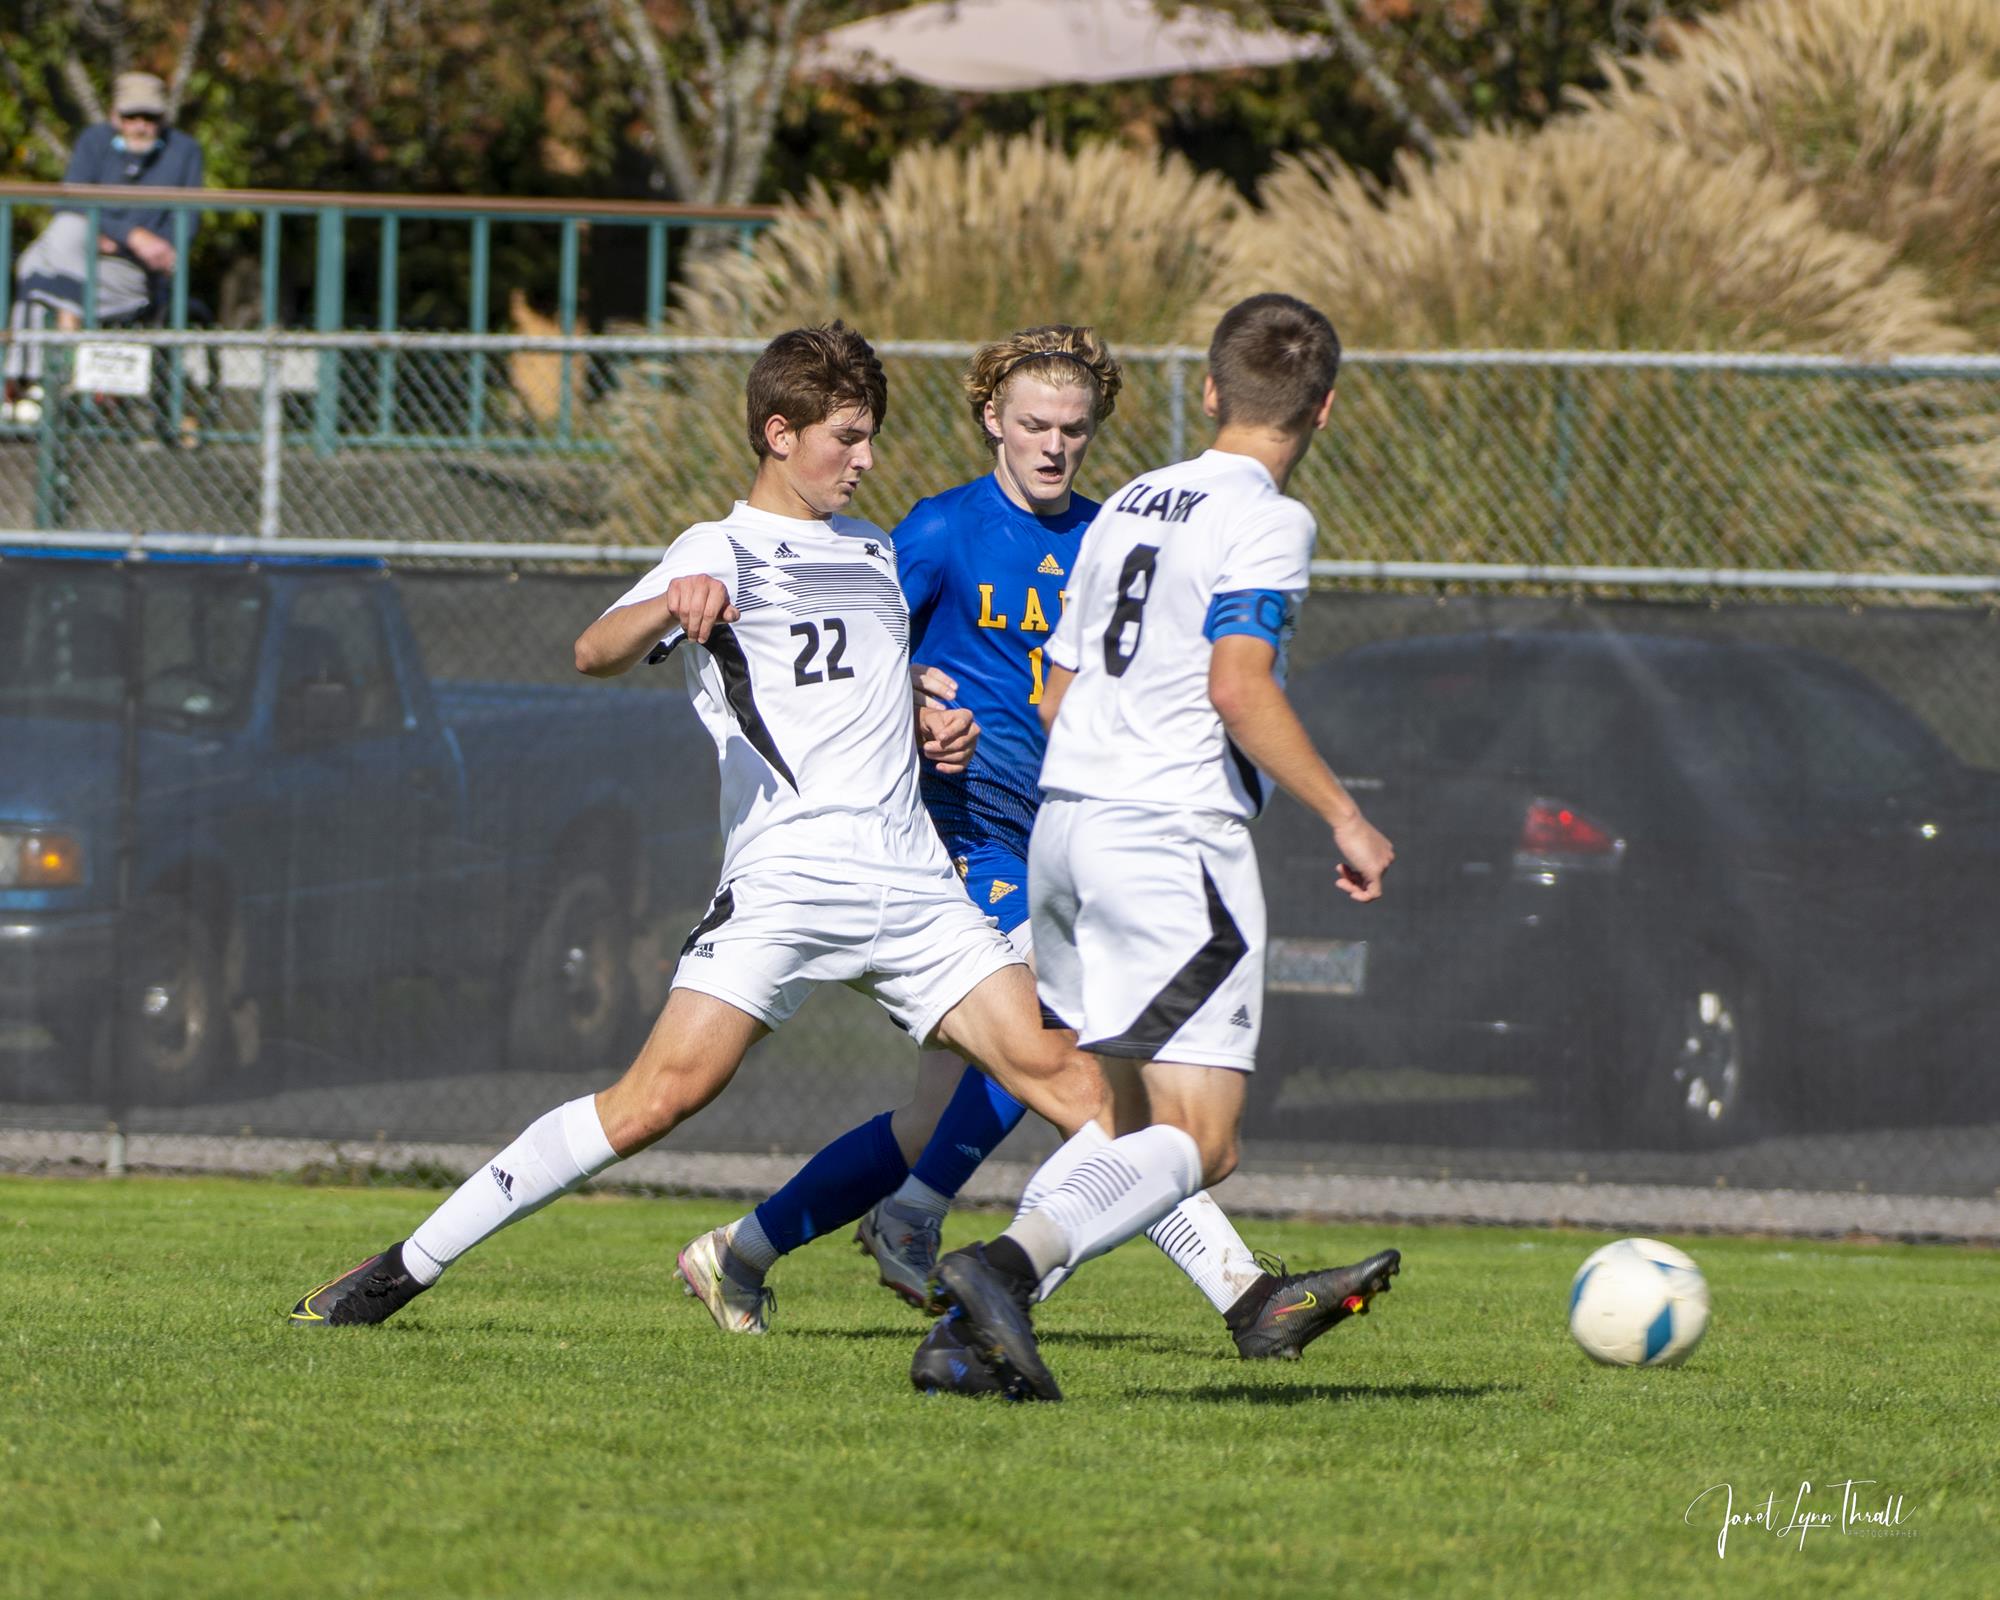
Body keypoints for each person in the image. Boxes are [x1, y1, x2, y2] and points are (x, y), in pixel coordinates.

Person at [286, 322, 1108, 1328]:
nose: (864, 459)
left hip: (913, 887)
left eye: (868, 436)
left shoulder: (869, 549)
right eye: (845, 438)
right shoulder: (716, 548)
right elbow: (592, 649)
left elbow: (864, 682)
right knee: (653, 1102)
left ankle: (1209, 1296)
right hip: (787, 882)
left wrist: (929, 717)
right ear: (778, 432)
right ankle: (401, 1268)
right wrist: (668, 604)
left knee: (1066, 1078)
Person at [680, 325, 1400, 1375]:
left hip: (1066, 826)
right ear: (991, 422)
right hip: (962, 838)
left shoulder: (1111, 527)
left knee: (934, 1122)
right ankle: (1237, 1294)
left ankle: (744, 1250)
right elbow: (858, 664)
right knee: (1085, 1071)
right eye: (1032, 425)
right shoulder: (938, 533)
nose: (1053, 446)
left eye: (1072, 428)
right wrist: (925, 717)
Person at [923, 293, 1400, 1402]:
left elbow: (1053, 687)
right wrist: (1343, 814)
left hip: (1065, 829)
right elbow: (1238, 684)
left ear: (1209, 389)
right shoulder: (1268, 517)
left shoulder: (1131, 498)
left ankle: (960, 1336)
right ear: (1323, 410)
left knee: (1122, 1115)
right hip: (1168, 840)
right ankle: (999, 1267)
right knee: (1206, 1136)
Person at [4, 73, 204, 414]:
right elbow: (69, 202)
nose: (140, 126)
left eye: (150, 118)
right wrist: (133, 235)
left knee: (34, 275)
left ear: (163, 118)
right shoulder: (94, 141)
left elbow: (185, 226)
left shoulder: (184, 151)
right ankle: (41, 385)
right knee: (64, 229)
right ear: (115, 116)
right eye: (131, 117)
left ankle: (27, 384)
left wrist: (120, 240)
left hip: (130, 274)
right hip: (82, 257)